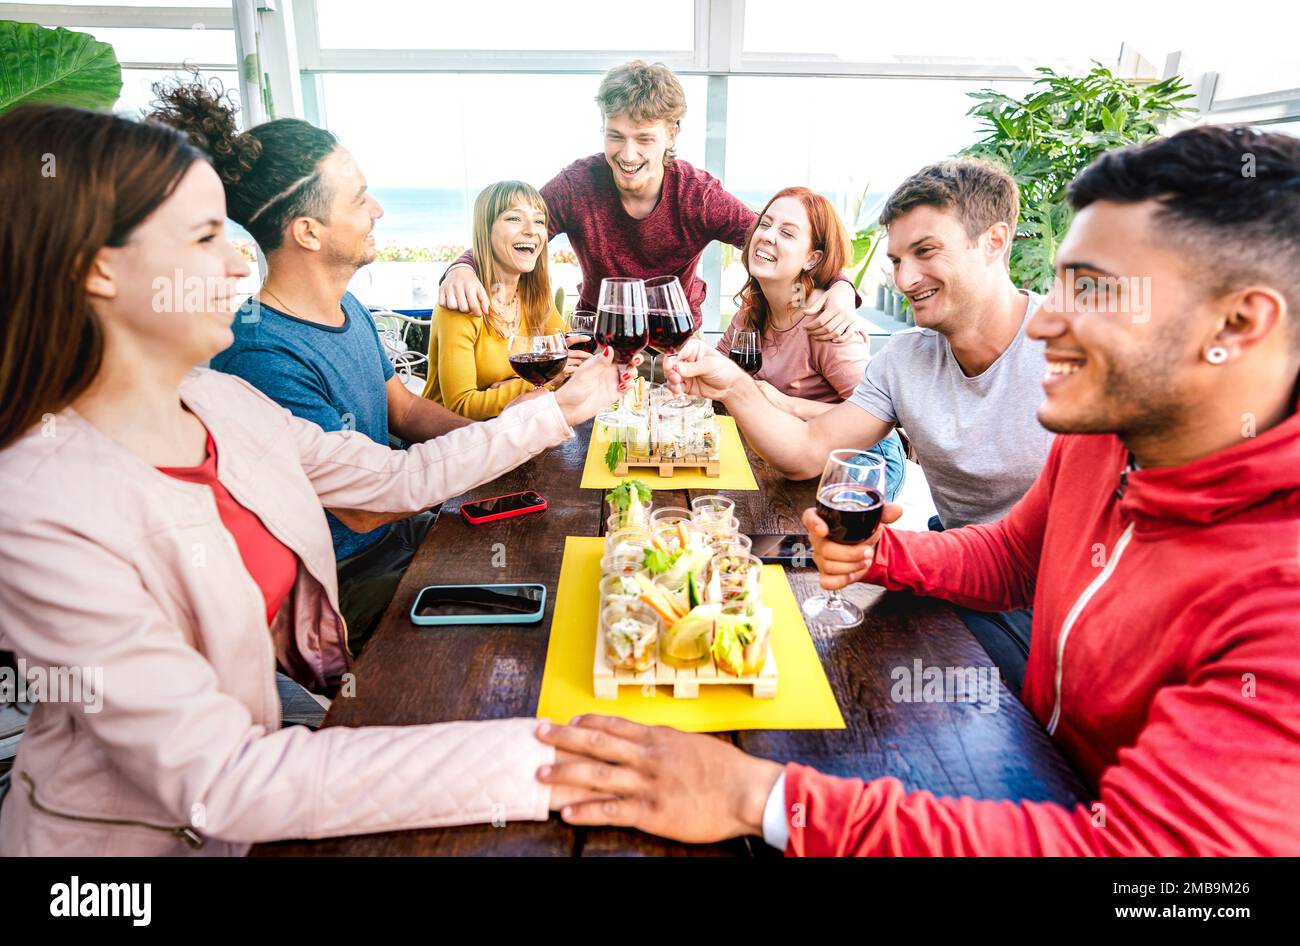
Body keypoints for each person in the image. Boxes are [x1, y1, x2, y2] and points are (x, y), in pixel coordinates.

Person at [533, 125, 1300, 856]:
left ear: (1238, 324)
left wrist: (759, 800)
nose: (1047, 321)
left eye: (1091, 289)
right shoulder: (1105, 441)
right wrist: (880, 557)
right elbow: (1009, 557)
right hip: (1038, 761)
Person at [0, 104, 630, 855]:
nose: (239, 263)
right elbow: (225, 781)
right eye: (205, 239)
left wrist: (555, 412)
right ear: (98, 269)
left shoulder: (219, 402)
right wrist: (555, 760)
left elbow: (393, 481)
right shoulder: (44, 504)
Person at [664, 158, 1054, 692]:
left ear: (994, 241)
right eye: (895, 259)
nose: (905, 278)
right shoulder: (905, 360)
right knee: (838, 665)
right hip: (954, 559)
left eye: (925, 251)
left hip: (1051, 595)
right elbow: (808, 450)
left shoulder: (1071, 350)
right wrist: (733, 386)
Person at [150, 78, 475, 647]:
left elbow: (401, 408)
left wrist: (492, 438)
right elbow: (365, 507)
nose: (377, 209)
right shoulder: (259, 352)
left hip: (405, 530)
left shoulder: (347, 305)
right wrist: (504, 446)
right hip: (344, 578)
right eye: (358, 199)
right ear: (307, 231)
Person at [438, 60, 863, 339]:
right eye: (615, 136)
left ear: (671, 135)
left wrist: (841, 286)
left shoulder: (698, 195)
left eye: (644, 139)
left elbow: (770, 240)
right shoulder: (579, 183)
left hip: (676, 346)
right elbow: (518, 232)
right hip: (596, 343)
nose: (627, 155)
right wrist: (461, 267)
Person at [717, 185, 906, 500]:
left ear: (812, 258)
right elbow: (719, 371)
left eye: (788, 233)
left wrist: (787, 404)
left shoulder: (825, 322)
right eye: (765, 224)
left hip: (865, 459)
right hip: (797, 447)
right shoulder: (751, 311)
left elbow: (880, 414)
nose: (767, 235)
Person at [422, 181, 586, 419]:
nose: (532, 230)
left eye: (539, 221)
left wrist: (514, 386)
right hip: (451, 442)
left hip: (510, 435)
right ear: (485, 230)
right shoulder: (462, 303)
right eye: (514, 219)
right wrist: (538, 384)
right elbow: (461, 406)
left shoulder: (536, 296)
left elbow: (570, 365)